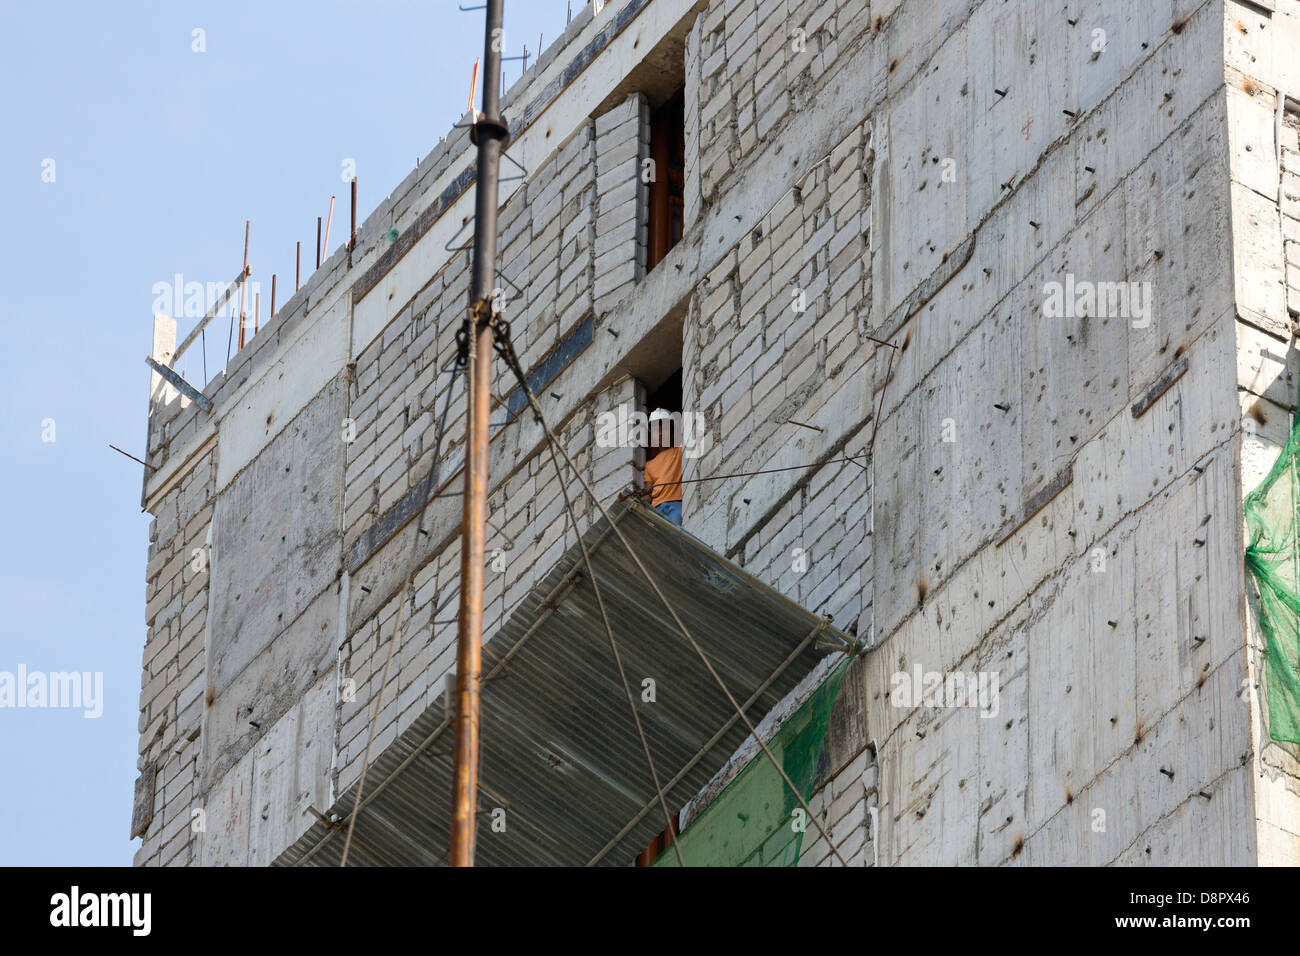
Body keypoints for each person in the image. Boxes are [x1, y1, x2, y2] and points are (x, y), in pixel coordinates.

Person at [644, 407, 683, 526]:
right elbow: (648, 492)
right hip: (656, 508)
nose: (660, 433)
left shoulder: (680, 451)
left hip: (676, 504)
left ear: (672, 432)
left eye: (664, 429)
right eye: (656, 430)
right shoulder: (649, 465)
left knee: (677, 535)